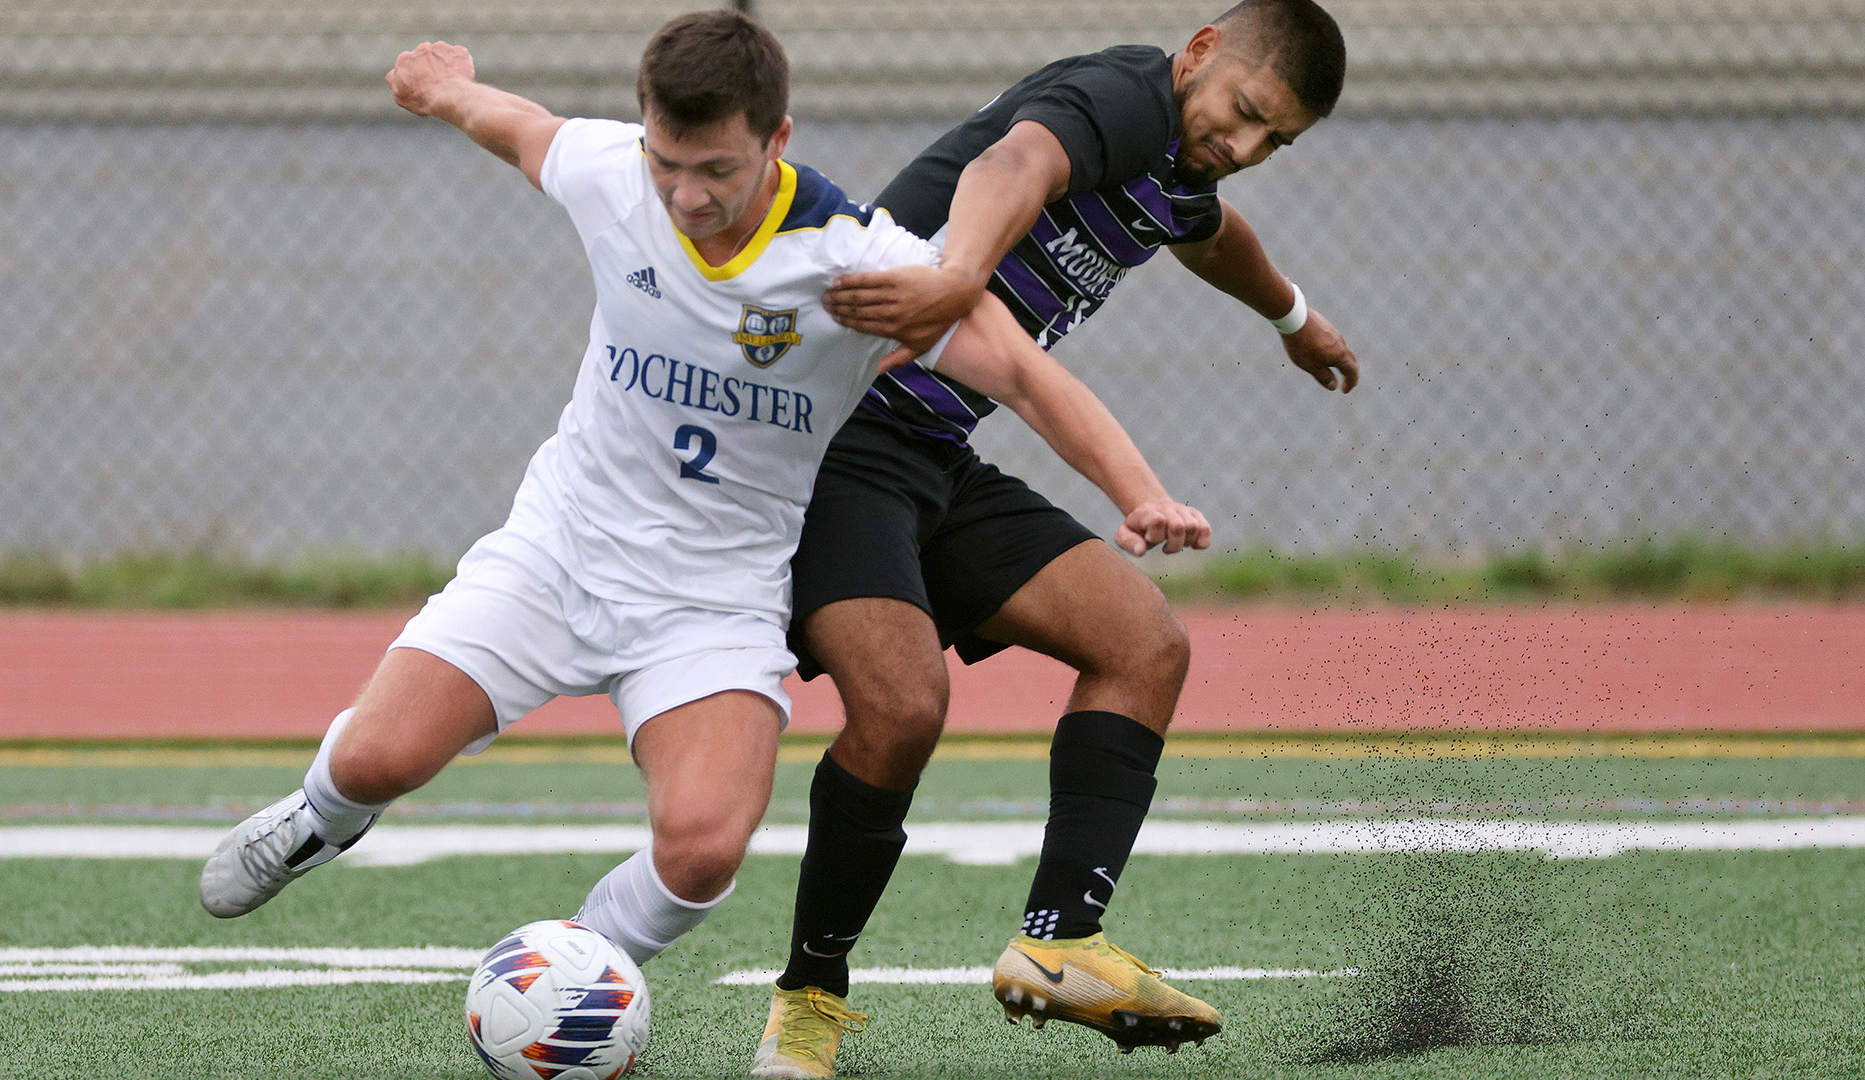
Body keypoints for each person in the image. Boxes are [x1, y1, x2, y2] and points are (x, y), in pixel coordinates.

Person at [195, 5, 1207, 1019]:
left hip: (714, 602)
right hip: (557, 555)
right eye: (669, 162)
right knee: (378, 758)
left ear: (778, 141)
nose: (686, 195)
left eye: (717, 170)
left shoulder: (857, 264)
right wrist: (441, 87)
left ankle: (571, 975)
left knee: (702, 853)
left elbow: (1028, 378)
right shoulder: (612, 173)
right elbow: (515, 125)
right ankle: (318, 817)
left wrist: (1141, 493)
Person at [753, 0, 1359, 1074]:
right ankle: (808, 998)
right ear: (1204, 52)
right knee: (901, 710)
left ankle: (1059, 943)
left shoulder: (1183, 162)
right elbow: (1013, 163)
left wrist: (1292, 317)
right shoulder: (1126, 98)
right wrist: (955, 274)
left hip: (932, 456)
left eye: (1280, 142)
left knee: (1144, 644)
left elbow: (1213, 234)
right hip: (841, 444)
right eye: (1249, 115)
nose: (1249, 147)